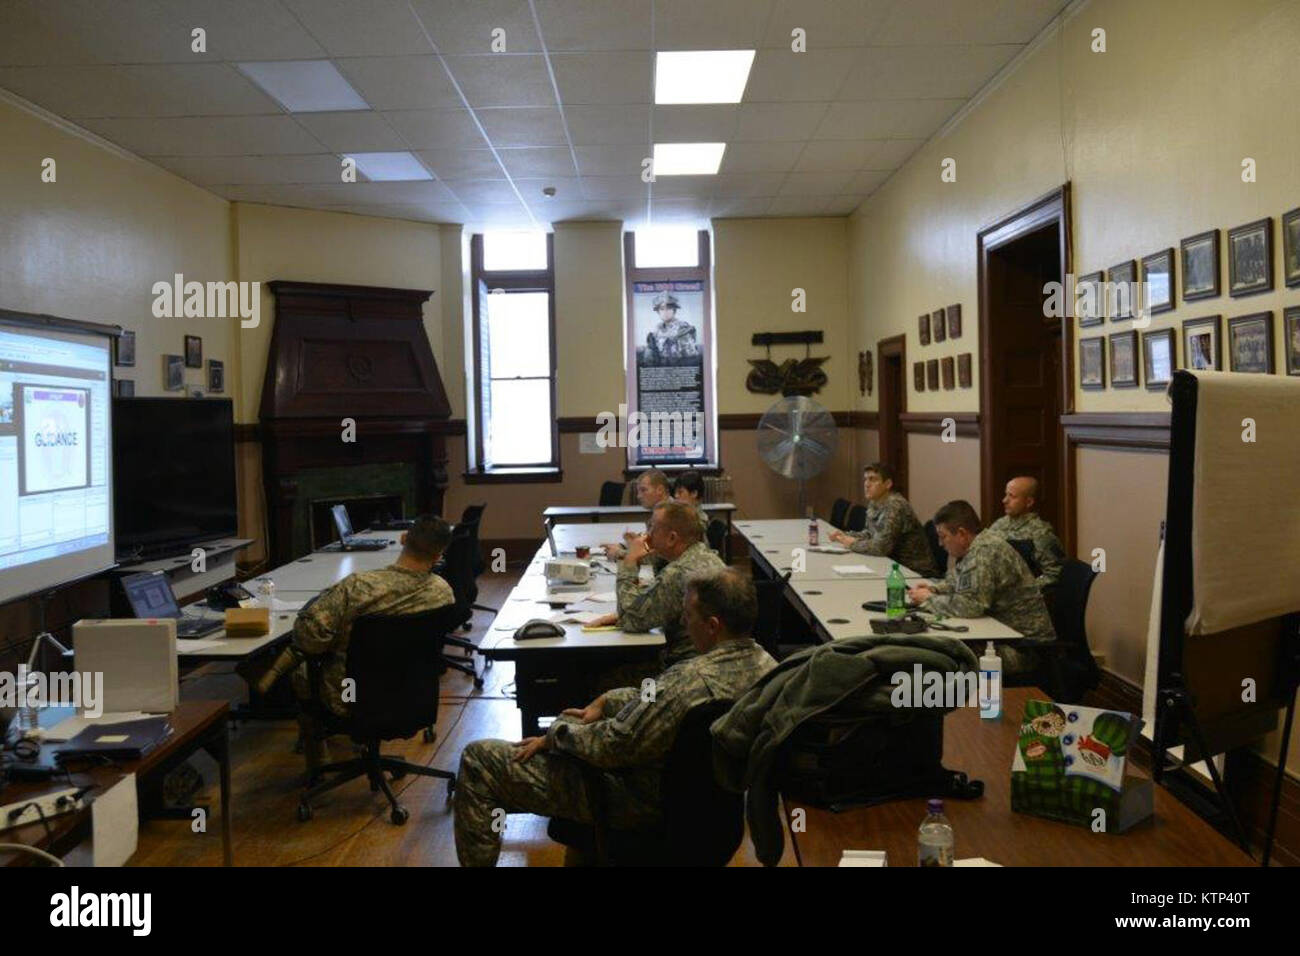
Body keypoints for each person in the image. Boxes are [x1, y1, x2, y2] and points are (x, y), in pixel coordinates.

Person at [454, 566, 777, 867]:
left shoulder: (690, 680)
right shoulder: (770, 670)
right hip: (714, 815)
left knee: (479, 760)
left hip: (636, 800)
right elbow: (662, 703)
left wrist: (557, 733)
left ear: (712, 626)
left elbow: (612, 746)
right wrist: (609, 700)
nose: (682, 620)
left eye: (688, 615)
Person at [253, 515, 455, 763]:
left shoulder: (357, 587)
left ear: (403, 539)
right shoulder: (443, 593)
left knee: (302, 670)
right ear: (438, 556)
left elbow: (309, 638)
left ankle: (316, 752)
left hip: (349, 697)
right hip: (411, 695)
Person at [906, 500, 1055, 677]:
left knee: (946, 657)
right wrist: (936, 589)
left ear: (961, 533)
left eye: (943, 536)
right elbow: (963, 584)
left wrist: (928, 600)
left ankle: (958, 704)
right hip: (1004, 635)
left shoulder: (984, 552)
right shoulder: (976, 547)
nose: (940, 543)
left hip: (1025, 648)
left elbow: (972, 605)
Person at [591, 500, 724, 666]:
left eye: (652, 527)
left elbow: (632, 621)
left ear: (672, 538)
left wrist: (630, 562)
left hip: (684, 668)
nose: (647, 535)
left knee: (603, 671)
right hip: (714, 662)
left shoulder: (678, 572)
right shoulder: (705, 556)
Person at [828, 463, 937, 576]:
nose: (867, 484)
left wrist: (852, 543)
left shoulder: (895, 505)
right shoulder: (875, 501)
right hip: (891, 565)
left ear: (888, 484)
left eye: (873, 479)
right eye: (865, 479)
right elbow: (870, 534)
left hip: (914, 572)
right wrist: (846, 535)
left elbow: (881, 548)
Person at [986, 476, 1065, 591]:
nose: (1004, 500)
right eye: (1006, 494)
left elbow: (1054, 574)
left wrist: (1023, 590)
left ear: (1029, 502)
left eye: (1012, 496)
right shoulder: (999, 524)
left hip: (1022, 602)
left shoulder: (1040, 533)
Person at [602, 469, 671, 560]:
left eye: (643, 490)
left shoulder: (670, 515)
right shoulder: (661, 510)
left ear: (660, 490)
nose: (639, 496)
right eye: (638, 491)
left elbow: (656, 558)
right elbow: (651, 543)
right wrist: (628, 544)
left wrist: (619, 553)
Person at [644, 292, 698, 365]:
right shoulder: (657, 330)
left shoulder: (682, 328)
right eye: (662, 309)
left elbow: (690, 357)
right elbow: (649, 358)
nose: (665, 312)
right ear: (658, 312)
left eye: (669, 308)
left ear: (674, 310)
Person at [672, 470, 711, 540]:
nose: (676, 496)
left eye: (680, 492)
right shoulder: (684, 514)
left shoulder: (700, 520)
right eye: (675, 492)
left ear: (694, 493)